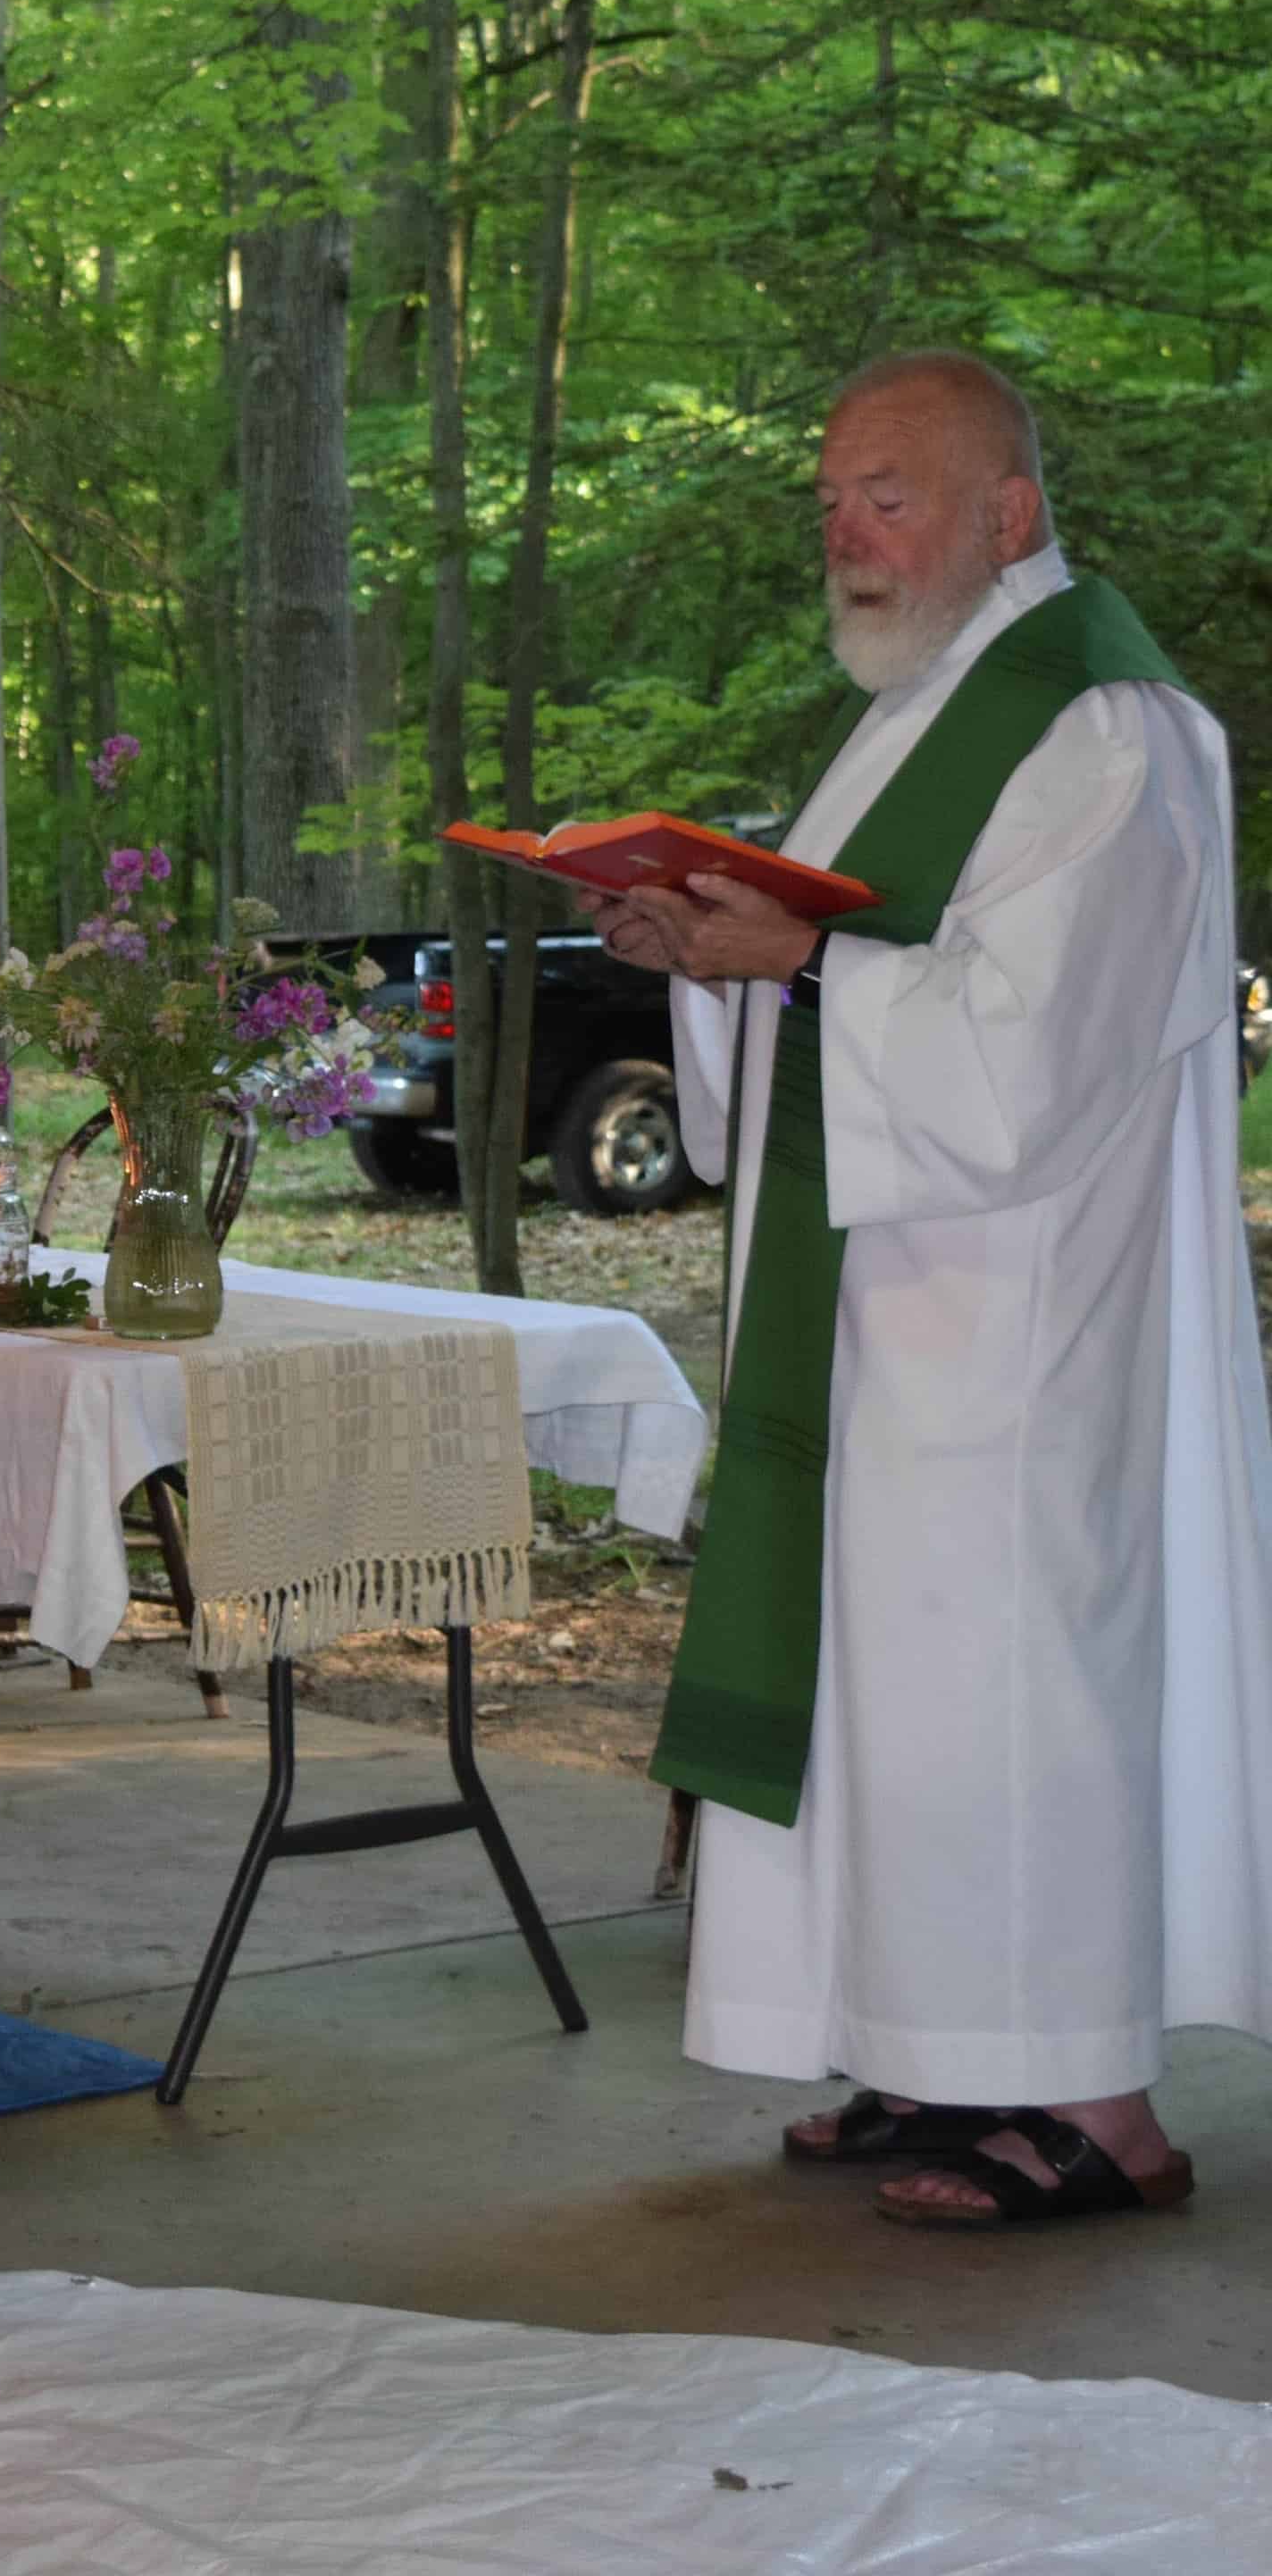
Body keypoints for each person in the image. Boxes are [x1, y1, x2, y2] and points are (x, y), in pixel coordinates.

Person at [590, 348, 1272, 2229]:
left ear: (1011, 514)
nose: (844, 528)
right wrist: (700, 950)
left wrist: (788, 965)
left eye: (886, 492)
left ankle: (1096, 2108)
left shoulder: (1108, 734)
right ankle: (932, 2049)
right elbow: (826, 956)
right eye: (828, 496)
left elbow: (1033, 1047)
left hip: (1025, 1318)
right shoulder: (920, 705)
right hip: (885, 1295)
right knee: (884, 1693)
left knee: (1014, 1691)